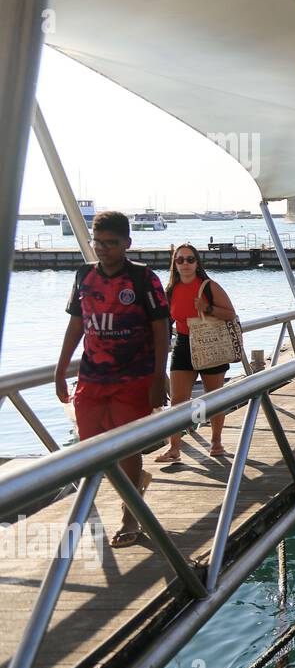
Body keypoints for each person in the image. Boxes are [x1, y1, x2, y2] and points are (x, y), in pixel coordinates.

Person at [55, 211, 169, 548]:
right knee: (91, 449)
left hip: (133, 376)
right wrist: (60, 369)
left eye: (111, 243)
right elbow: (77, 323)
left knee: (126, 448)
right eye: (98, 242)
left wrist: (158, 377)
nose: (103, 249)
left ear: (126, 244)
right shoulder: (84, 276)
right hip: (92, 375)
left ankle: (130, 515)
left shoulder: (142, 278)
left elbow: (161, 328)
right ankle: (136, 483)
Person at [154, 244, 238, 463]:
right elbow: (164, 323)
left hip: (210, 343)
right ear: (174, 264)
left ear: (197, 262)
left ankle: (216, 442)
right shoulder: (170, 290)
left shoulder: (209, 287)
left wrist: (207, 308)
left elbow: (230, 314)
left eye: (190, 259)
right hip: (183, 345)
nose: (185, 264)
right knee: (179, 401)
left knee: (213, 397)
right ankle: (174, 448)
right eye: (180, 260)